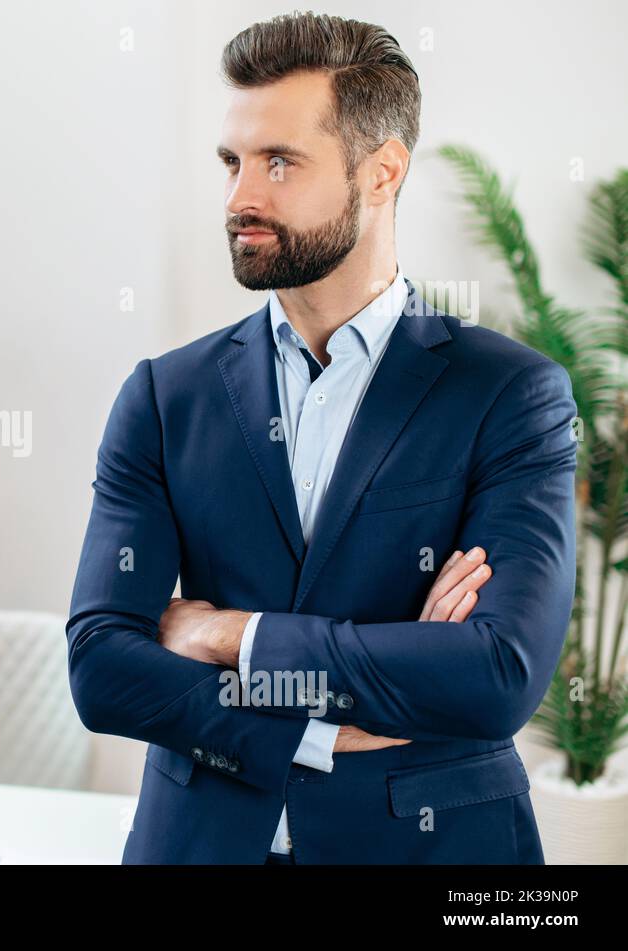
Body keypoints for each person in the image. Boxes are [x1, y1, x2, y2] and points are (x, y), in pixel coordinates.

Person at [65, 11, 577, 864]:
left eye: (279, 163)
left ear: (381, 174)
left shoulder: (510, 394)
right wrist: (313, 733)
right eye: (232, 162)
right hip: (199, 842)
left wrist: (226, 633)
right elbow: (103, 667)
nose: (239, 199)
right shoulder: (165, 396)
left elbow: (494, 674)